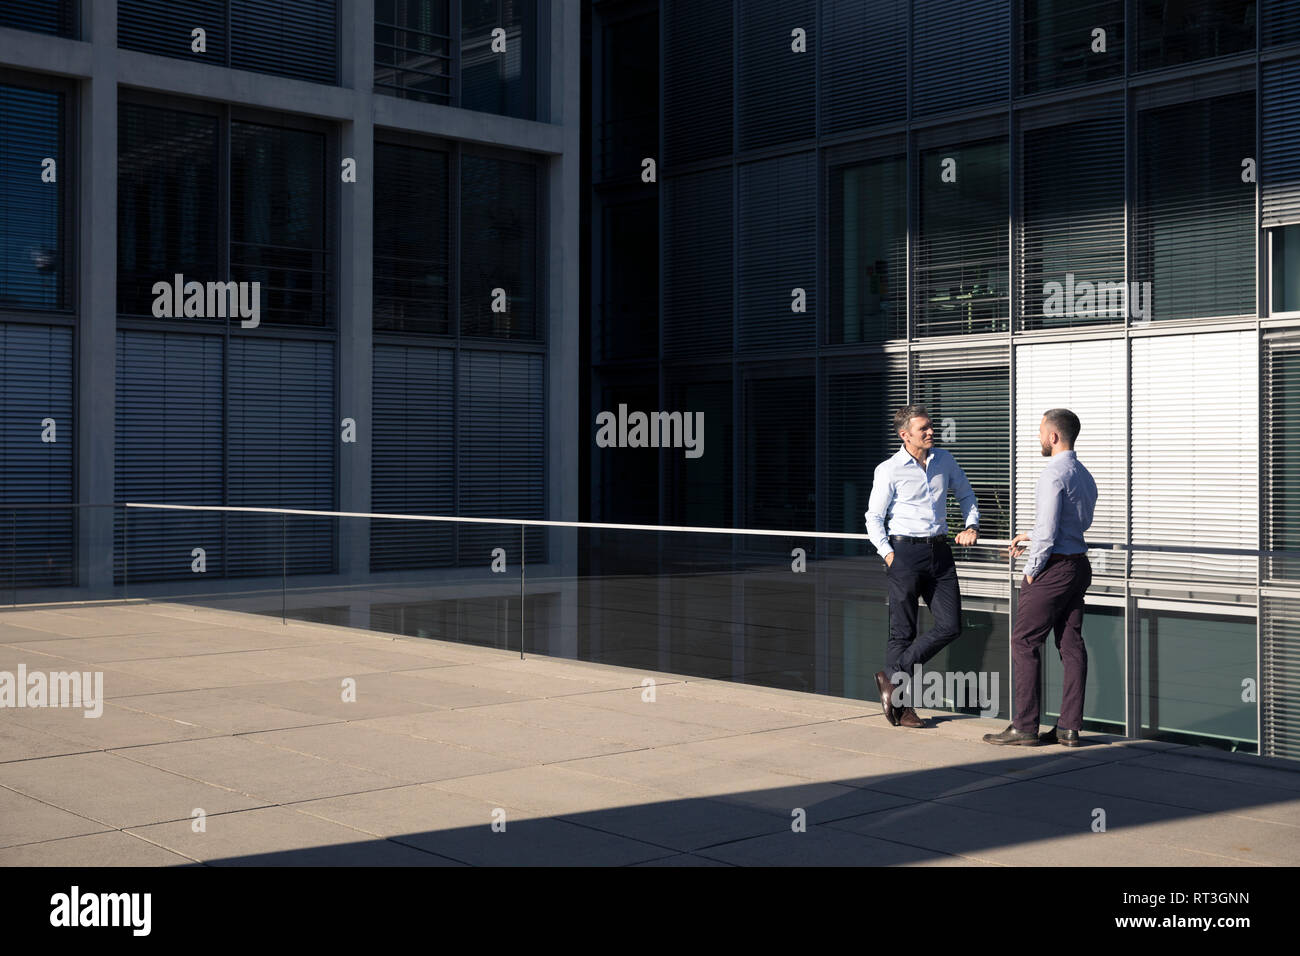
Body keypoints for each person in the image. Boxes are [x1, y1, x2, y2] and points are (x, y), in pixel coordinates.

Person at [984, 408, 1097, 747]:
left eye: (1039, 432)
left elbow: (1049, 531)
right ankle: (1068, 728)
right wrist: (1030, 535)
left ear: (1053, 436)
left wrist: (1032, 569)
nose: (1038, 437)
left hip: (1053, 569)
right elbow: (1076, 524)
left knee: (1024, 642)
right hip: (1078, 565)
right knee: (1071, 644)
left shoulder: (1052, 474)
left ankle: (1025, 727)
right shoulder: (1084, 474)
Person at [866, 405, 979, 729]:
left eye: (931, 427)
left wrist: (971, 526)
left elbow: (967, 495)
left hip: (940, 552)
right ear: (905, 435)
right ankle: (902, 709)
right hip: (904, 552)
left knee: (951, 625)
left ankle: (891, 675)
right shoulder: (888, 469)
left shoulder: (945, 460)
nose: (932, 432)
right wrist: (889, 555)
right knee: (902, 632)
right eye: (924, 429)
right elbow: (874, 517)